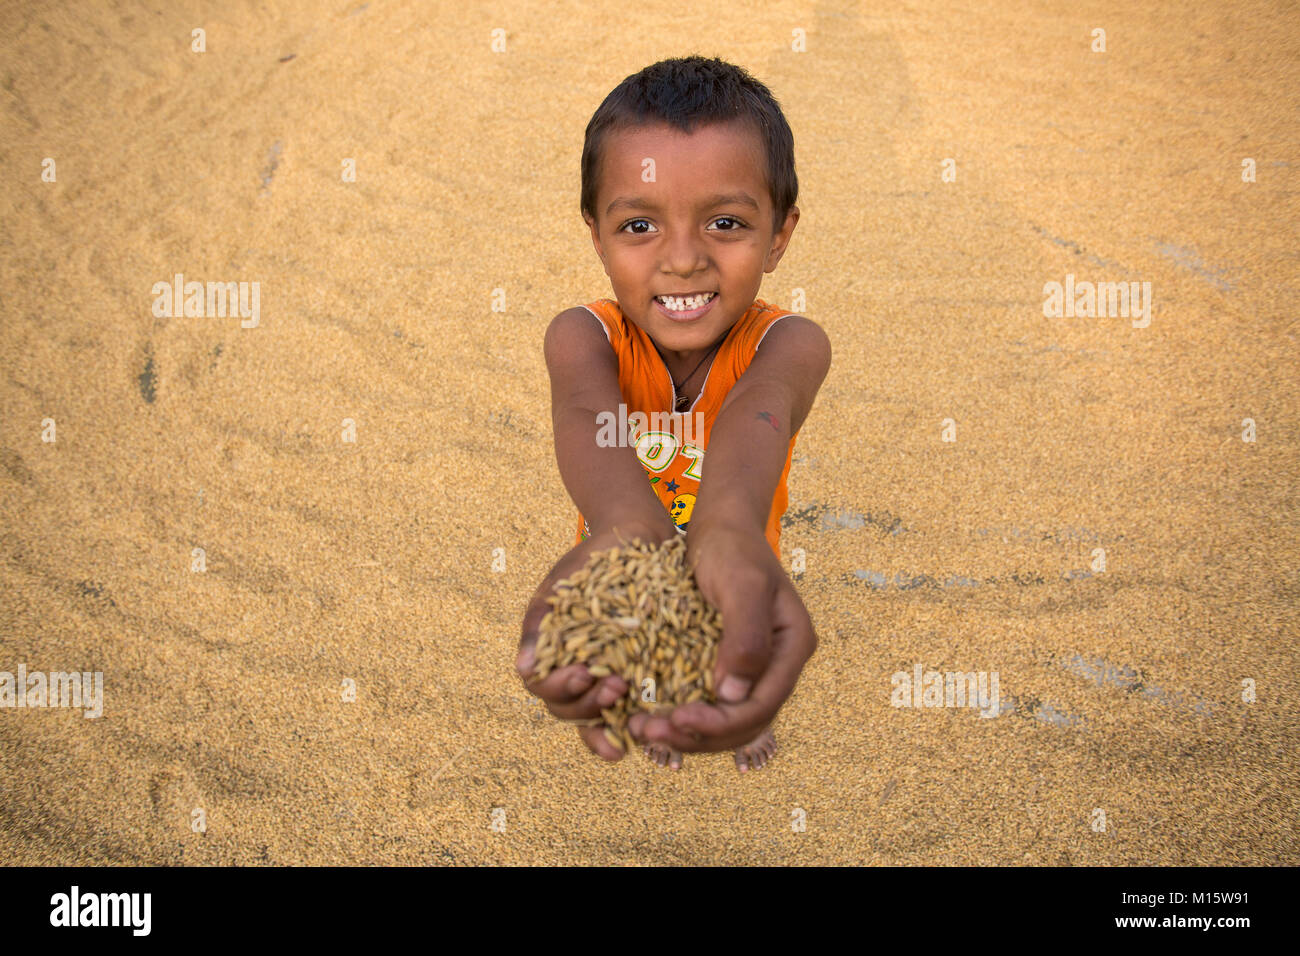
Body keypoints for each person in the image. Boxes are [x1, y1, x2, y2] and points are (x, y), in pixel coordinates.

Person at [516, 55, 831, 772]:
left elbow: (764, 405)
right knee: (639, 648)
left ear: (779, 234)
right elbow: (583, 414)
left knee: (735, 646)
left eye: (725, 222)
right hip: (625, 560)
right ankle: (652, 708)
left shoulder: (788, 342)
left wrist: (724, 527)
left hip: (740, 556)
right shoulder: (583, 335)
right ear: (595, 234)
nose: (683, 260)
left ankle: (733, 716)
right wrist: (632, 531)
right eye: (638, 227)